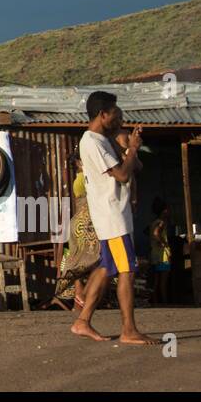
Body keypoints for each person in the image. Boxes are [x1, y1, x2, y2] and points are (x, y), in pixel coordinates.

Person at [70, 91, 155, 345]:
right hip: (112, 217)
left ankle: (82, 321)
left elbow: (135, 167)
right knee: (127, 270)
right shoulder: (92, 142)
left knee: (107, 268)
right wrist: (131, 150)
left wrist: (131, 148)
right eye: (116, 116)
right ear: (102, 114)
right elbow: (122, 175)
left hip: (115, 215)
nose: (119, 121)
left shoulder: (103, 141)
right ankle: (128, 330)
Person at [52, 151, 100, 312]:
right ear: (80, 162)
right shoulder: (86, 177)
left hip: (80, 223)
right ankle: (82, 297)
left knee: (79, 261)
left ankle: (79, 300)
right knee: (94, 260)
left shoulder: (79, 178)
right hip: (88, 224)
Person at [147, 198, 172, 306]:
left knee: (156, 281)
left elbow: (151, 233)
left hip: (155, 255)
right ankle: (165, 302)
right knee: (163, 282)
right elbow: (156, 233)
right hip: (163, 256)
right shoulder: (161, 222)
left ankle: (156, 302)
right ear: (164, 211)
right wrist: (164, 244)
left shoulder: (153, 222)